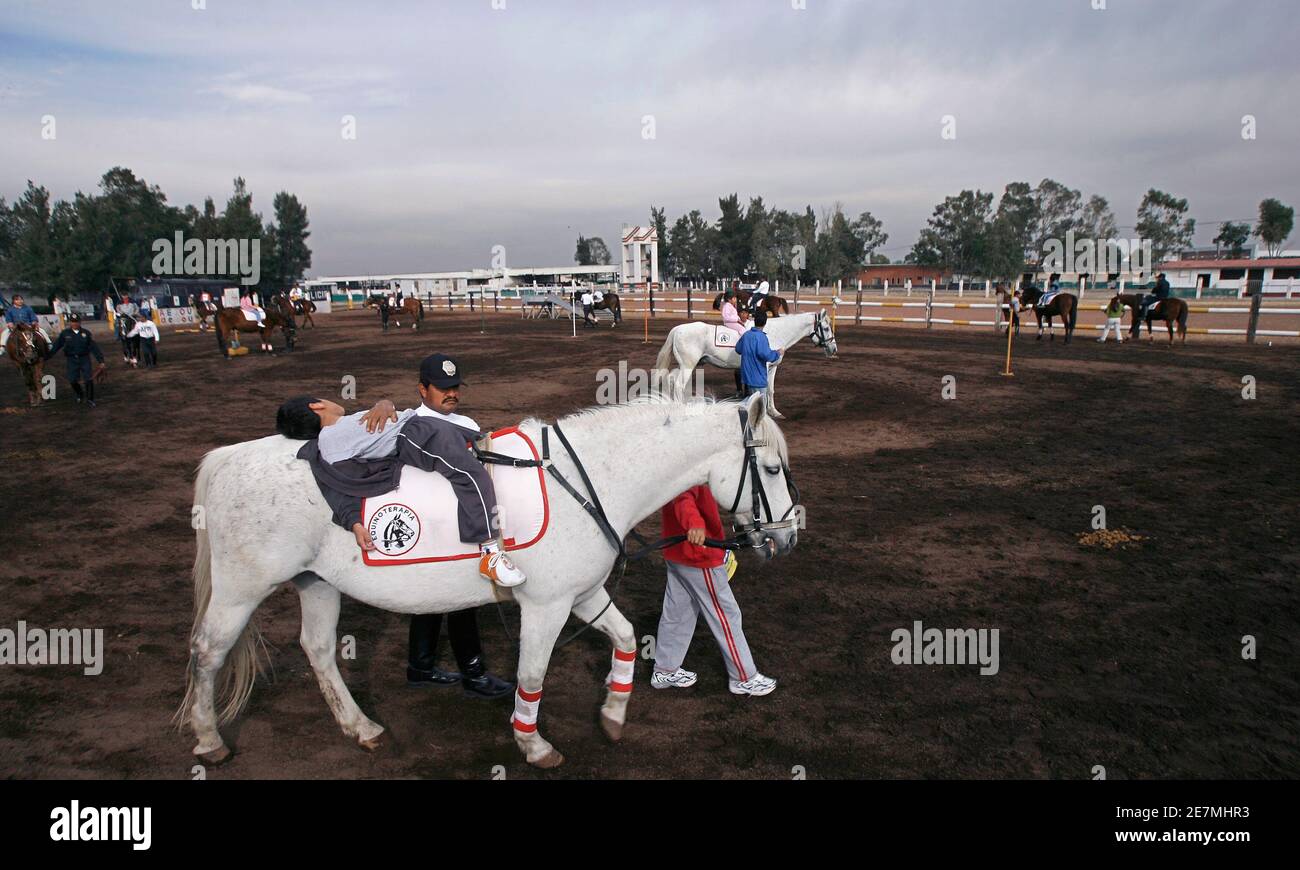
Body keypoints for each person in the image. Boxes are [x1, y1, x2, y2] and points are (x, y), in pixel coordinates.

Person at [280, 353, 526, 588]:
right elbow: (336, 483)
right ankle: (490, 554)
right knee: (469, 473)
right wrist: (353, 520)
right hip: (413, 435)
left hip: (422, 426)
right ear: (317, 406)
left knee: (493, 446)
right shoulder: (329, 441)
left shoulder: (342, 428)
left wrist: (385, 403)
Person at [650, 486, 776, 696]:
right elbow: (684, 496)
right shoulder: (693, 461)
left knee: (677, 613)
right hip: (699, 554)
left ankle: (665, 670)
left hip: (677, 552)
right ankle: (743, 677)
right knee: (726, 615)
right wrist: (694, 523)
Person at [44, 314, 105, 407]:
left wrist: (101, 361)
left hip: (84, 358)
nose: (74, 324)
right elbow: (56, 346)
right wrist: (47, 357)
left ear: (80, 322)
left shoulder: (86, 333)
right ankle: (79, 393)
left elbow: (94, 348)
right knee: (72, 380)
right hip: (72, 359)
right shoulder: (65, 333)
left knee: (88, 379)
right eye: (72, 321)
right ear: (70, 322)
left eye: (76, 322)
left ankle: (90, 399)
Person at [735, 309, 783, 398]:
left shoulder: (746, 334)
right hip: (758, 378)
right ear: (765, 323)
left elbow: (738, 349)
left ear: (754, 321)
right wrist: (777, 353)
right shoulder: (762, 337)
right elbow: (766, 355)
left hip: (747, 377)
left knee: (749, 402)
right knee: (760, 406)